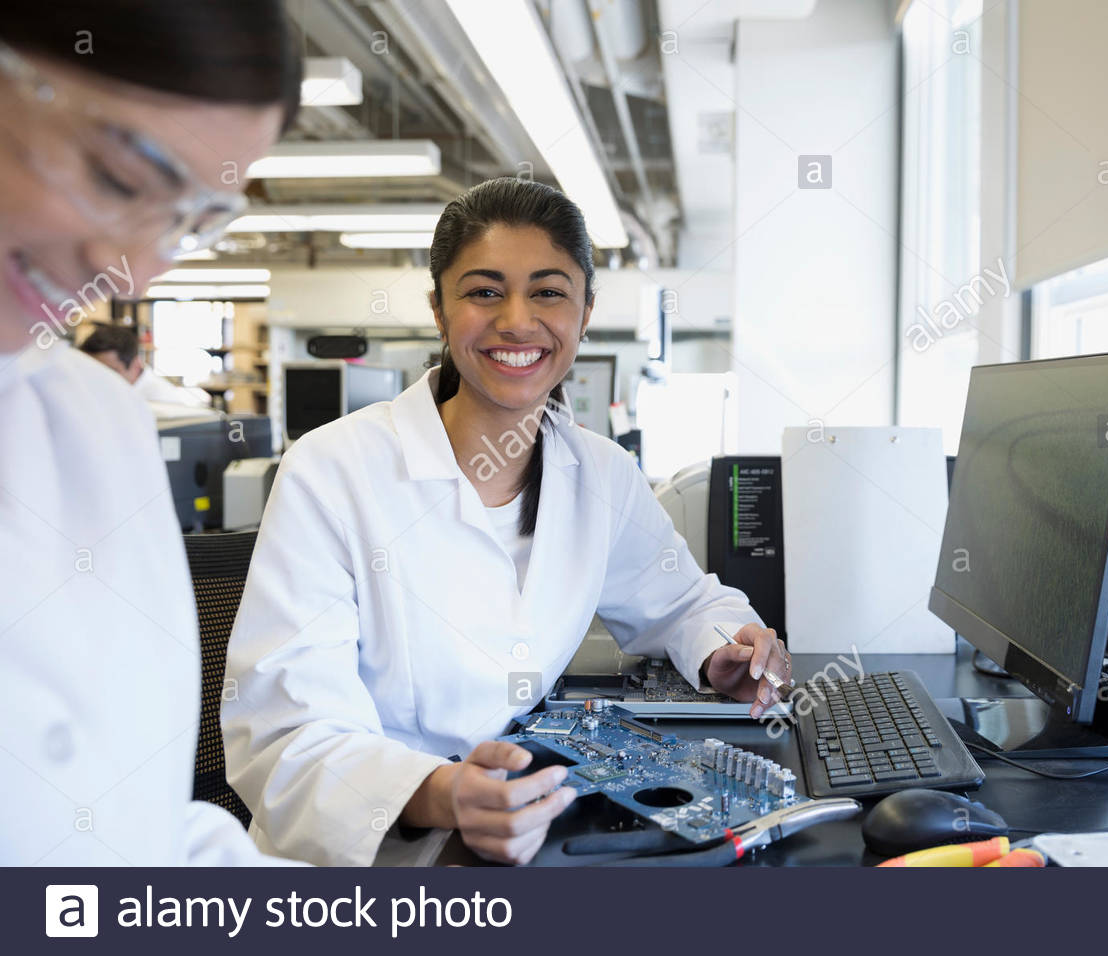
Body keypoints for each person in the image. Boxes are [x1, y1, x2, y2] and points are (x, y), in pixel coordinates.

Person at [223, 178, 792, 867]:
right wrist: (440, 793)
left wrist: (724, 647)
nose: (517, 321)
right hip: (361, 862)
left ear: (585, 312)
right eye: (484, 292)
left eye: (549, 292)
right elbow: (284, 737)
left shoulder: (601, 474)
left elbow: (683, 601)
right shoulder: (331, 472)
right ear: (439, 309)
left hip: (516, 831)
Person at [0, 2, 302, 865]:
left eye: (191, 219)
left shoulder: (100, 422)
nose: (128, 264)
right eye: (121, 178)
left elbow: (139, 821)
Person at [80, 323, 212, 408]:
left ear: (136, 365)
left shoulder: (161, 401)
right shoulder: (103, 391)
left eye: (110, 371)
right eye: (92, 370)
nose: (99, 378)